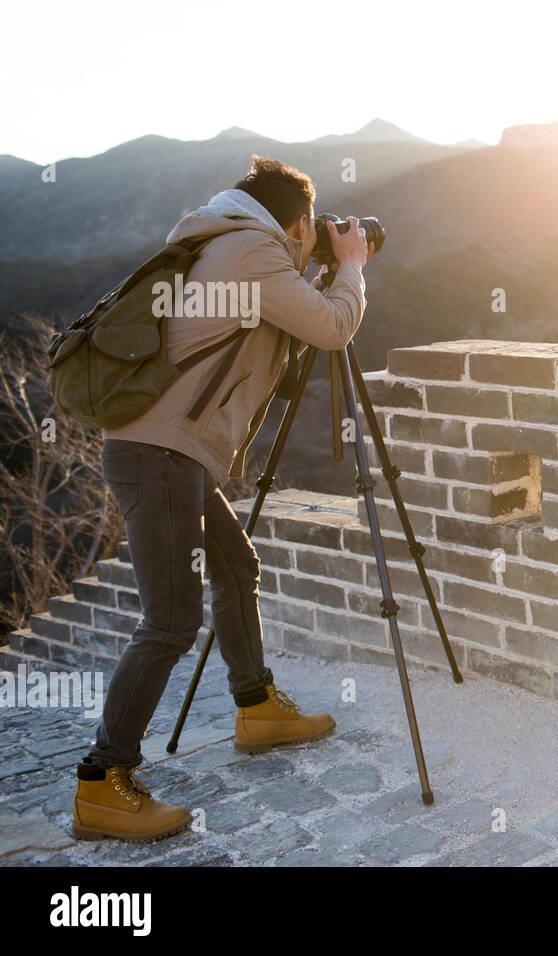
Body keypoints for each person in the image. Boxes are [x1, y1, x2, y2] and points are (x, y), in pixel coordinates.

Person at [71, 155, 373, 842]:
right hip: (160, 455)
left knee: (235, 567)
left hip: (167, 453)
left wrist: (318, 270)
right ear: (298, 223)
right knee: (170, 622)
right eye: (313, 230)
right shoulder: (247, 249)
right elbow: (330, 329)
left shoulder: (226, 240)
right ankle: (101, 782)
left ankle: (256, 705)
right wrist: (352, 265)